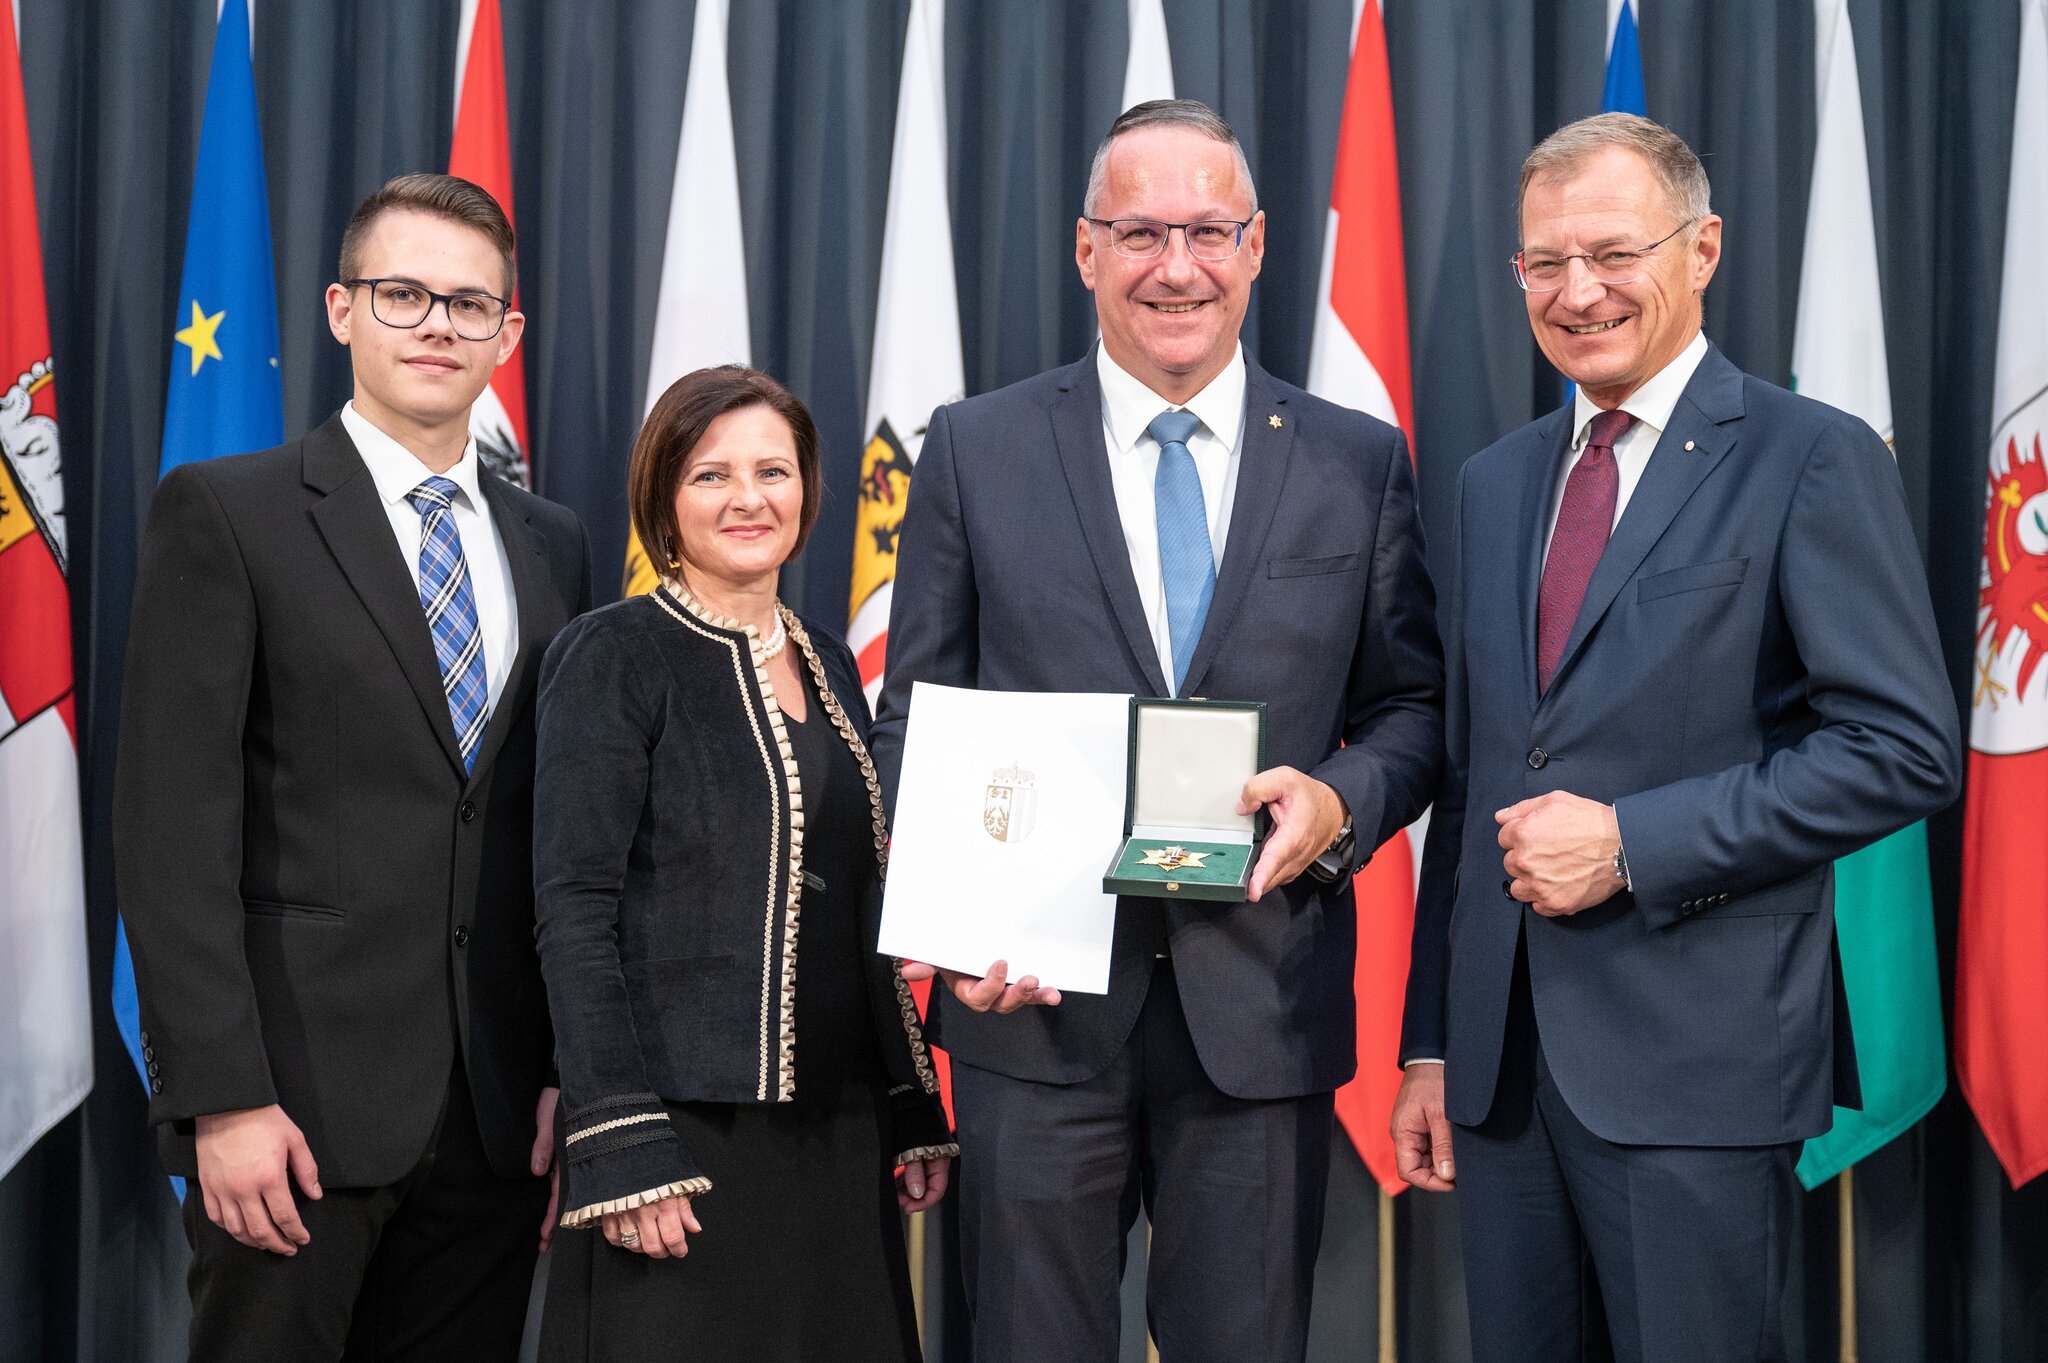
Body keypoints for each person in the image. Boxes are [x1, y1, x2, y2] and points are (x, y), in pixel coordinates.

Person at [870, 99, 1443, 1363]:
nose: (1173, 266)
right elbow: (915, 713)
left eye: (1205, 231)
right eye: (1138, 232)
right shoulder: (974, 448)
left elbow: (1412, 710)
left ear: (1254, 245)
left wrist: (1338, 805)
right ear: (1085, 250)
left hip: (1262, 1005)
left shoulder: (1356, 460)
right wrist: (956, 926)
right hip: (1032, 1009)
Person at [1391, 113, 1961, 1363]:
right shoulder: (1494, 482)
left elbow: (1902, 748)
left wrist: (1630, 843)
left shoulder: (1810, 456)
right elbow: (1478, 776)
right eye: (1544, 261)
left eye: (1611, 252)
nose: (1576, 291)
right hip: (1499, 1078)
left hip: (1697, 1066)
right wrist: (1431, 1040)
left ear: (1699, 250)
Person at [113, 174, 591, 1359]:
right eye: (402, 294)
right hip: (291, 1114)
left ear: (507, 335)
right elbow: (171, 832)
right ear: (341, 310)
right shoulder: (230, 514)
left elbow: (551, 836)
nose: (436, 325)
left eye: (468, 304)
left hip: (494, 1122)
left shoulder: (553, 544)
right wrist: (222, 1096)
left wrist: (559, 1070)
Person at [532, 365, 955, 1363]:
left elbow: (859, 897)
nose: (748, 497)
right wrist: (620, 1136)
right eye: (711, 474)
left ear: (806, 489)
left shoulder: (828, 658)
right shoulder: (614, 652)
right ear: (663, 499)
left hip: (836, 1137)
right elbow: (574, 910)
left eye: (772, 471)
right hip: (682, 1139)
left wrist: (908, 1101)